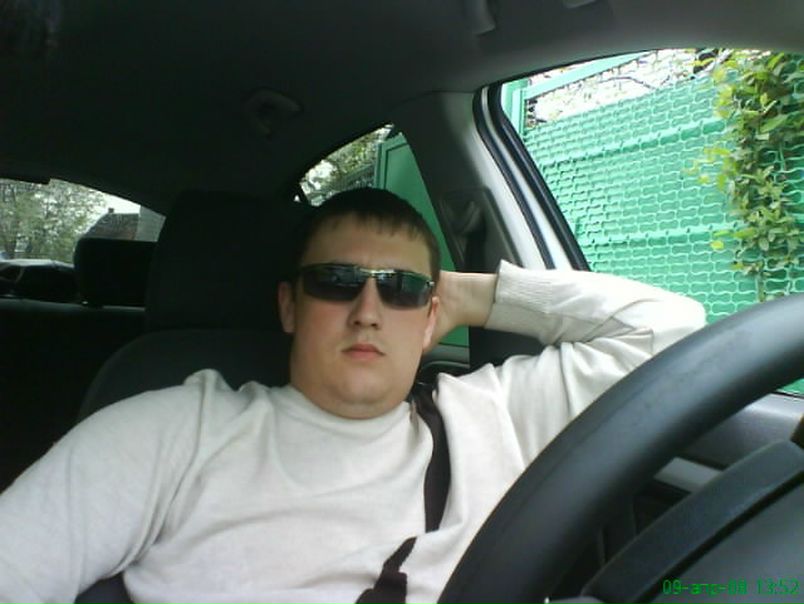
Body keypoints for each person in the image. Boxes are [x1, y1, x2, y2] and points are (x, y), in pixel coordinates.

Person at [0, 188, 706, 603]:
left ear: (430, 315)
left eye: (400, 290)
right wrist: (419, 295)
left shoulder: (495, 414)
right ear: (289, 306)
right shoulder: (170, 430)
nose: (368, 312)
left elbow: (669, 328)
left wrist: (467, 295)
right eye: (337, 282)